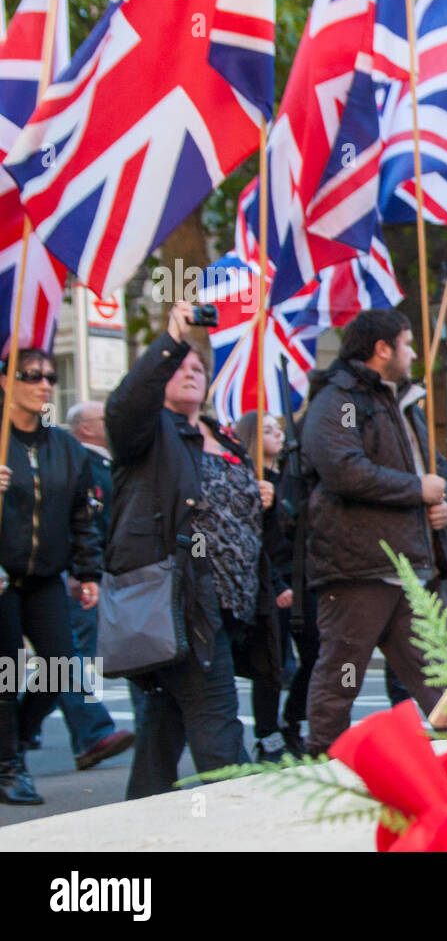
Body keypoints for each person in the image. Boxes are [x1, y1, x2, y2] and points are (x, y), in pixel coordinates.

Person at [106, 300, 279, 799]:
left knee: (166, 724)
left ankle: (137, 817)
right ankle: (244, 819)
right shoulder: (146, 430)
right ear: (159, 373)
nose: (190, 370)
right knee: (217, 722)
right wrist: (174, 338)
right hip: (182, 599)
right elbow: (124, 405)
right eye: (179, 365)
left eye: (198, 366)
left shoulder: (223, 435)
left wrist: (260, 496)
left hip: (228, 603)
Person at [300, 309, 447, 754]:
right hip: (359, 567)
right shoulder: (340, 399)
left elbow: (437, 470)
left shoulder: (403, 402)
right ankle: (321, 769)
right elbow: (343, 470)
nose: (412, 353)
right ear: (382, 349)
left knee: (439, 682)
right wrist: (416, 490)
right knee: (339, 678)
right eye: (407, 344)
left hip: (410, 567)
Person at [0, 351, 104, 806]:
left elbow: (83, 513)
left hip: (46, 576)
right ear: (6, 382)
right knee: (5, 676)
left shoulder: (64, 446)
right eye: (31, 375)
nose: (44, 384)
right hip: (1, 577)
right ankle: (8, 770)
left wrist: (87, 572)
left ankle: (16, 743)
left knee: (61, 668)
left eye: (49, 376)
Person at [46, 402, 136, 769]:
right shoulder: (78, 461)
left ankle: (27, 727)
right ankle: (92, 732)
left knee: (64, 657)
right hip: (79, 573)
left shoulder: (104, 463)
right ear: (85, 428)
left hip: (94, 571)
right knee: (71, 655)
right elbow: (86, 521)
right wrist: (85, 571)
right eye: (105, 419)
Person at [234, 411, 316, 760]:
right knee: (272, 662)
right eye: (267, 430)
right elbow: (253, 541)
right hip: (271, 583)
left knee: (316, 653)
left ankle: (293, 720)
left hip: (305, 578)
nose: (277, 435)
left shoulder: (293, 477)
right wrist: (277, 583)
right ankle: (267, 737)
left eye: (277, 429)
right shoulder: (249, 480)